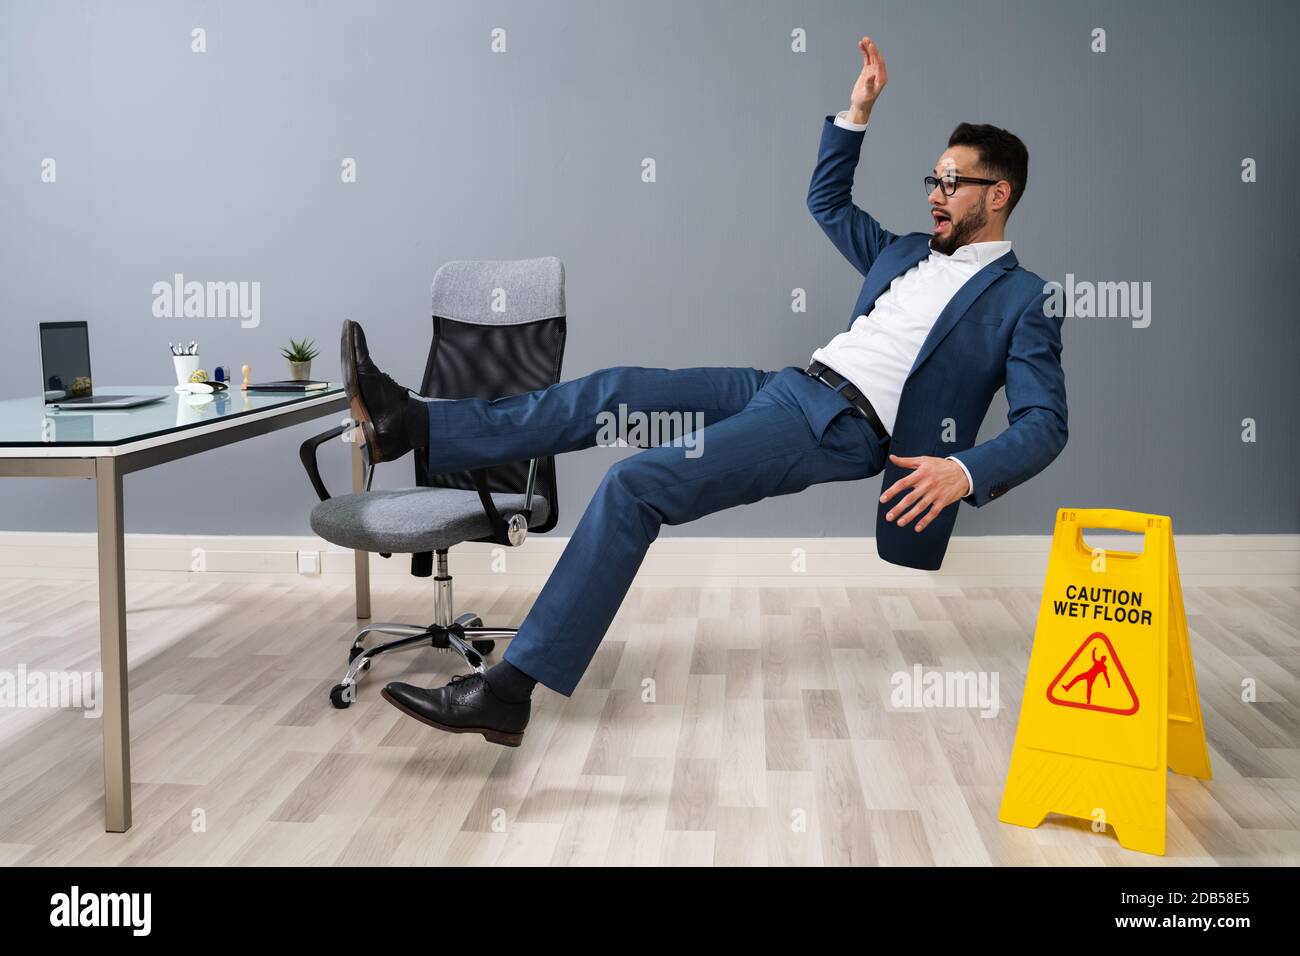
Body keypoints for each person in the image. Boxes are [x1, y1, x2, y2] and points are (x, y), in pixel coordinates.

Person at [342, 36, 1068, 746]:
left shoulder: (1023, 299)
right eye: (932, 180)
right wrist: (858, 114)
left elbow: (1045, 423)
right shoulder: (907, 251)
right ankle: (417, 427)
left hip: (837, 424)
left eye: (952, 183)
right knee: (615, 391)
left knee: (636, 485)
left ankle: (507, 693)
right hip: (788, 386)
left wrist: (963, 470)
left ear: (996, 195)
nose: (936, 194)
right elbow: (827, 200)